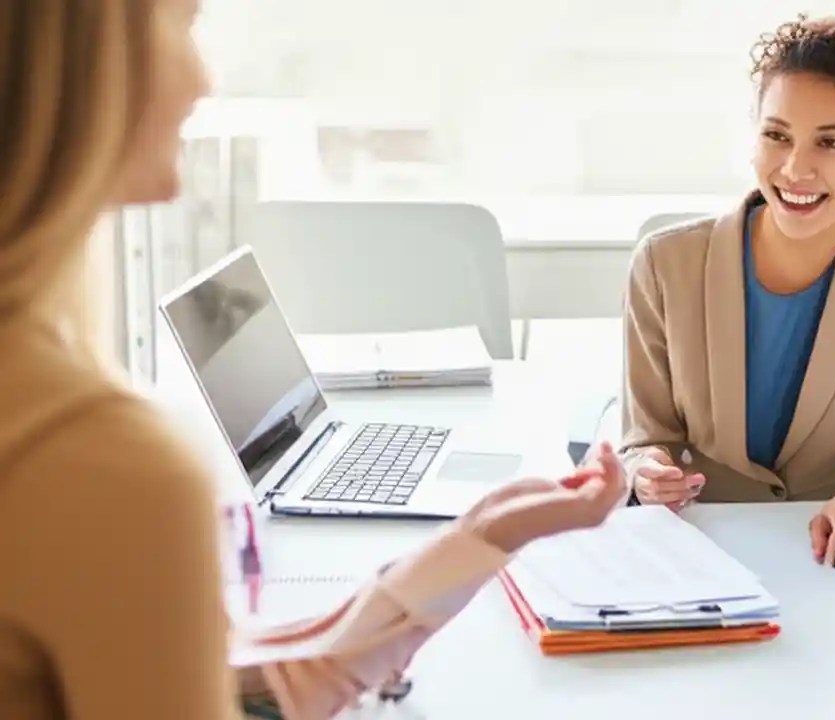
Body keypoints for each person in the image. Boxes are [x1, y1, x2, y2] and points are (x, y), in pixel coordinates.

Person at [0, 1, 625, 718]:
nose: (202, 80)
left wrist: (478, 540)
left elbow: (236, 679)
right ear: (67, 60)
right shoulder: (104, 468)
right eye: (178, 24)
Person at [621, 12, 835, 573]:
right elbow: (645, 437)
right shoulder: (664, 263)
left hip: (829, 553)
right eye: (776, 135)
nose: (795, 169)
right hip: (696, 553)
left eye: (831, 142)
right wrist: (647, 472)